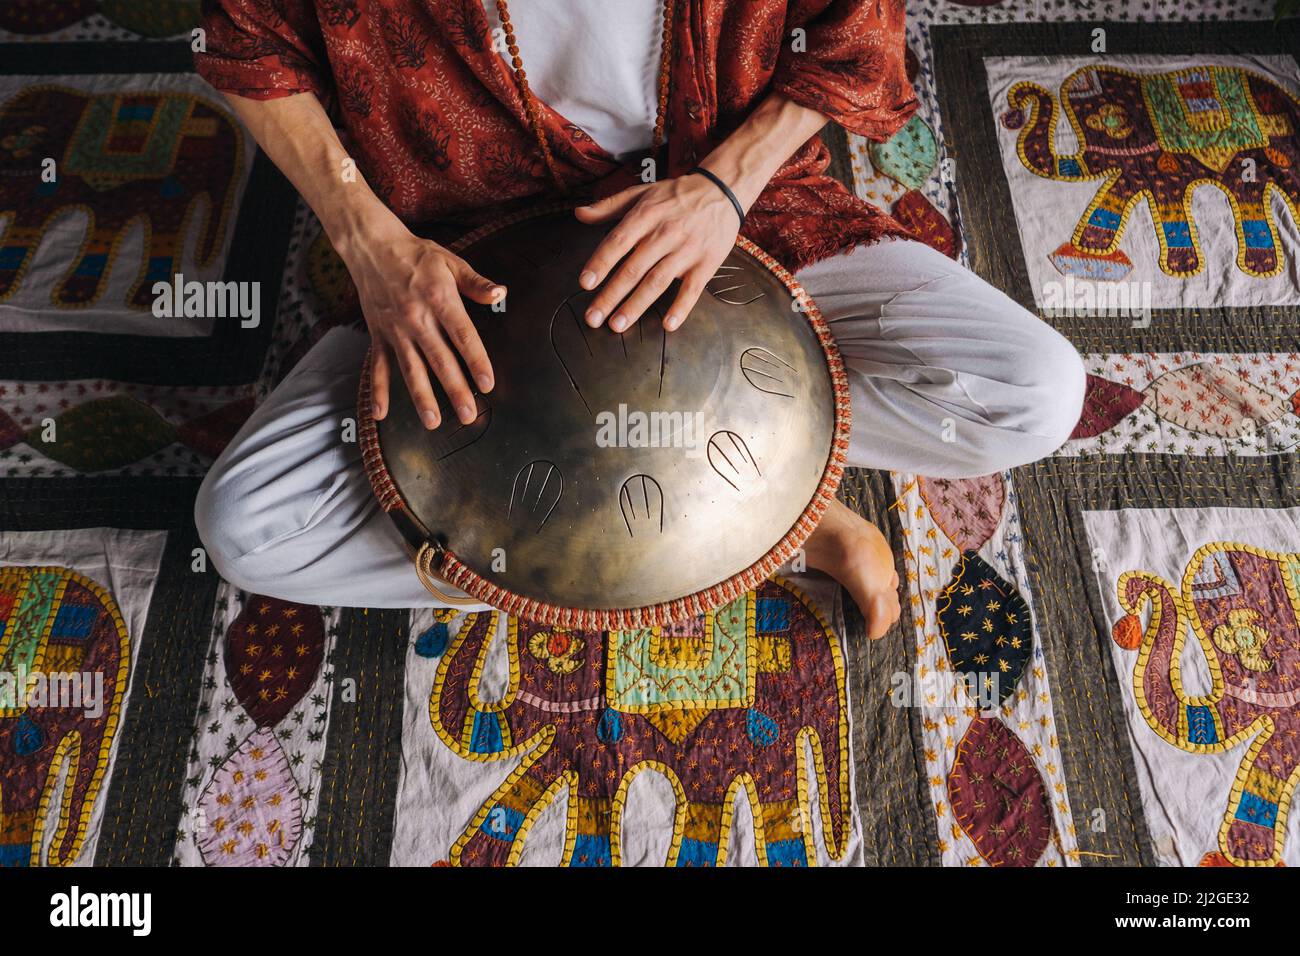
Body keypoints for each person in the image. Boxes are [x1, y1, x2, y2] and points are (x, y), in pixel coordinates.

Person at [192, 0, 1086, 640]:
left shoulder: (736, 185)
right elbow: (247, 42)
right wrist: (369, 243)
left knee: (1034, 393)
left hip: (733, 200)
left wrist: (729, 183)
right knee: (247, 529)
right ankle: (777, 529)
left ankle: (767, 490)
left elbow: (856, 33)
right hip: (463, 239)